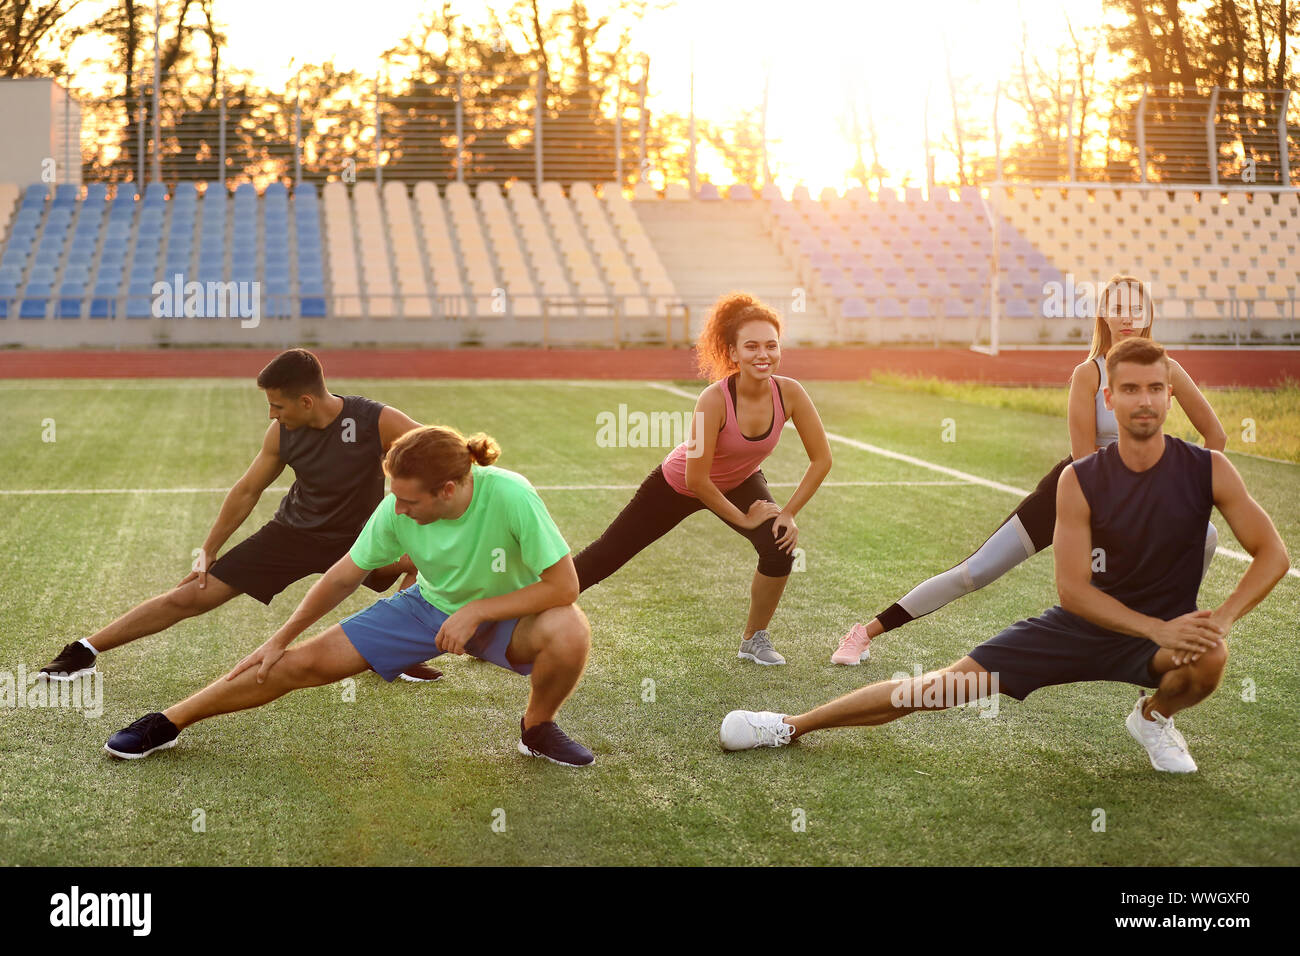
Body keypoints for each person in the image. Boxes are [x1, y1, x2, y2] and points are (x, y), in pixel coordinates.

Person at [723, 339, 1289, 773]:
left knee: (1211, 656)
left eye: (1156, 389)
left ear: (1171, 394)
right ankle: (790, 725)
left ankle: (1154, 718)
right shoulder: (1080, 480)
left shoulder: (1208, 470)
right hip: (1075, 631)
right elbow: (1072, 591)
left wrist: (1218, 619)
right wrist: (1156, 629)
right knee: (931, 690)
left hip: (1156, 641)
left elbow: (1272, 555)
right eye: (1131, 390)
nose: (1145, 400)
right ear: (1109, 399)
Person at [104, 425, 596, 766]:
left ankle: (537, 728)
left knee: (568, 626)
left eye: (408, 500)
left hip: (510, 618)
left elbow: (563, 586)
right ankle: (169, 722)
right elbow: (342, 577)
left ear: (448, 489)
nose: (396, 509)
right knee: (296, 664)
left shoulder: (510, 495)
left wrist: (479, 610)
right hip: (426, 610)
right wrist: (280, 638)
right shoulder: (394, 510)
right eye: (394, 496)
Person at [832, 274, 1228, 665]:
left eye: (1135, 308)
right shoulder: (1089, 373)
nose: (1127, 317)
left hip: (1136, 495)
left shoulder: (1167, 369)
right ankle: (864, 634)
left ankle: (1169, 625)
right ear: (1103, 315)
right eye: (1117, 308)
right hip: (1077, 490)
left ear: (1148, 314)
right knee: (975, 573)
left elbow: (1215, 436)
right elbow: (1085, 459)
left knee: (1204, 535)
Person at [38, 348, 442, 684]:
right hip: (292, 535)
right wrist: (209, 549)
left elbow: (439, 450)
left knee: (427, 561)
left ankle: (400, 652)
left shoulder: (374, 419)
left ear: (306, 401)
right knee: (190, 596)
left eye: (276, 405)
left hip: (360, 541)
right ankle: (85, 650)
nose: (271, 414)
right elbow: (248, 489)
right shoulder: (282, 433)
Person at [573, 292, 832, 664]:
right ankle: (514, 618)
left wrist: (787, 513)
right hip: (676, 486)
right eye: (752, 346)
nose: (763, 355)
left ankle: (753, 639)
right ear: (733, 353)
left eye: (771, 346)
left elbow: (821, 459)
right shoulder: (713, 400)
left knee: (778, 546)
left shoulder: (789, 393)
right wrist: (743, 518)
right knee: (605, 556)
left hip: (740, 479)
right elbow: (697, 479)